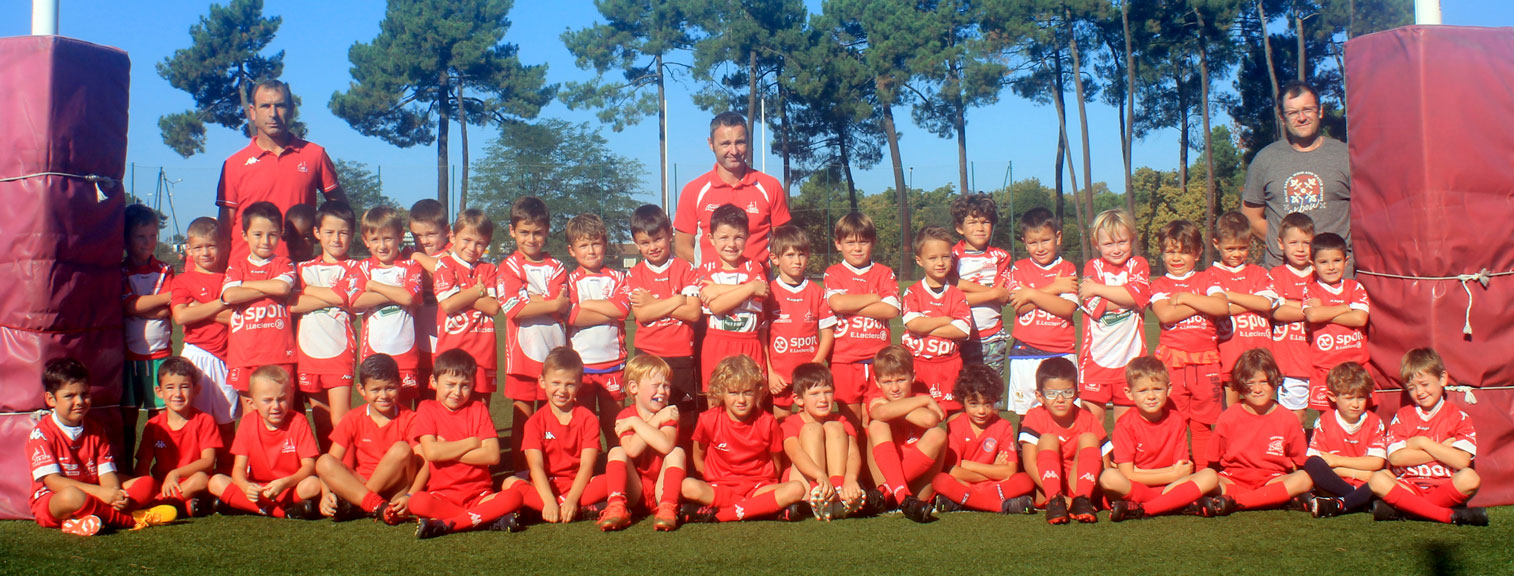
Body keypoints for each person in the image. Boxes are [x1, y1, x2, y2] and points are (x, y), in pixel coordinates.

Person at [28, 358, 177, 536]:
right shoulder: (41, 433)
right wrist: (101, 493)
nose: (80, 401)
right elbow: (53, 481)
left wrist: (113, 494)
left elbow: (106, 473)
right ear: (51, 399)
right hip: (55, 499)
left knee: (147, 483)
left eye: (84, 394)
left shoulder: (95, 429)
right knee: (72, 495)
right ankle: (128, 520)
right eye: (70, 396)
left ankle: (82, 521)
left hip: (95, 493)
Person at [216, 79, 344, 264]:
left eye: (280, 106)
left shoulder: (315, 155)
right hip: (246, 276)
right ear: (252, 112)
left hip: (299, 269)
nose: (273, 114)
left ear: (291, 110)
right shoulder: (233, 164)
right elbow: (224, 228)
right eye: (265, 106)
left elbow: (340, 211)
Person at [502, 348, 625, 527]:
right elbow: (535, 466)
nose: (562, 390)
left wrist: (572, 500)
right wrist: (549, 500)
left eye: (569, 384)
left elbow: (587, 465)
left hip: (578, 486)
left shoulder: (588, 418)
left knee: (612, 480)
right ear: (542, 382)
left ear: (579, 384)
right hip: (545, 487)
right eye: (556, 383)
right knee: (509, 483)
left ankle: (545, 509)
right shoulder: (534, 422)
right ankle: (581, 508)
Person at [679, 355, 808, 524]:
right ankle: (762, 509)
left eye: (747, 393)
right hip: (721, 487)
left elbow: (776, 464)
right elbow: (698, 457)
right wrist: (714, 482)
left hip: (758, 487)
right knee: (688, 486)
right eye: (733, 393)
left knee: (797, 489)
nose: (741, 400)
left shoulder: (767, 421)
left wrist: (762, 484)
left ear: (758, 392)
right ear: (721, 392)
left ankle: (721, 515)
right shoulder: (708, 419)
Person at [410, 349, 525, 538]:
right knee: (418, 502)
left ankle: (447, 524)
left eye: (465, 385)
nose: (457, 392)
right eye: (450, 384)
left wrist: (447, 448)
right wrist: (471, 442)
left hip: (479, 496)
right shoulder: (427, 409)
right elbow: (432, 453)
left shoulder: (478, 409)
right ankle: (488, 519)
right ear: (433, 381)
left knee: (514, 496)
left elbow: (492, 456)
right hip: (442, 495)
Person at [1367, 348, 1487, 526]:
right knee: (1378, 479)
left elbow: (1462, 461)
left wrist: (1422, 442)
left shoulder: (1458, 417)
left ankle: (1407, 510)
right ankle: (1446, 515)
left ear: (1442, 379)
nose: (1419, 392)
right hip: (1409, 487)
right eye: (1412, 387)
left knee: (1470, 478)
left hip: (1444, 487)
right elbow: (1396, 457)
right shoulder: (1403, 416)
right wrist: (1442, 450)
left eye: (1425, 384)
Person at [1242, 80, 1351, 268]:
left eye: (1307, 109)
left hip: (1335, 280)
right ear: (1282, 117)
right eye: (1292, 112)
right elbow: (1251, 217)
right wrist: (1288, 244)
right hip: (1282, 280)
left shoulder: (1346, 156)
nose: (1301, 118)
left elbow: (1369, 214)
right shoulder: (1265, 159)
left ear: (1320, 111)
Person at [1148, 220, 1230, 468]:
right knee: (1176, 420)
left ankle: (1205, 472)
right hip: (1173, 361)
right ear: (1162, 253)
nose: (1177, 257)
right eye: (1171, 251)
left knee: (1202, 423)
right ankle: (1180, 468)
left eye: (1184, 251)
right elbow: (1165, 315)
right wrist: (1199, 302)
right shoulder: (1159, 284)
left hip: (1206, 361)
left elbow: (1221, 306)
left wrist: (1185, 297)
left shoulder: (1208, 277)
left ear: (1197, 252)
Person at [496, 196, 569, 468]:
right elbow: (514, 309)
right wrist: (548, 303)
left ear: (547, 230)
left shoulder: (557, 267)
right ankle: (521, 471)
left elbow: (561, 305)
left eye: (537, 232)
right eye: (524, 232)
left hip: (554, 356)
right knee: (524, 420)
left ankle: (557, 470)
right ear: (512, 231)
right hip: (523, 358)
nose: (531, 238)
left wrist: (530, 298)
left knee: (554, 417)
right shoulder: (509, 266)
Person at [1100, 356, 1220, 521]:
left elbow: (1182, 470)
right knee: (1109, 478)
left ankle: (1145, 508)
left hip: (1171, 488)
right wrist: (1171, 475)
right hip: (1140, 486)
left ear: (1168, 389)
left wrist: (1162, 475)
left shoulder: (1176, 420)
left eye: (1157, 389)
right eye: (1142, 390)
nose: (1151, 396)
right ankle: (1177, 504)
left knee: (1210, 475)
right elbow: (1128, 475)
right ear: (1129, 393)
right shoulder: (1124, 425)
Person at [674, 111, 791, 266]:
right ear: (711, 144)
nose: (734, 151)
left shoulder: (770, 186)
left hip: (758, 285)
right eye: (725, 143)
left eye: (740, 142)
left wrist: (750, 272)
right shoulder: (693, 190)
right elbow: (682, 248)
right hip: (711, 287)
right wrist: (719, 273)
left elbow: (783, 242)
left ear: (748, 142)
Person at [1205, 349, 1314, 515]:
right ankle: (1274, 500)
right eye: (1250, 383)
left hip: (1272, 481)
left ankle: (1239, 502)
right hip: (1233, 481)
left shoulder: (1288, 418)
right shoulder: (1228, 417)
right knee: (1207, 478)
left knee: (1305, 479)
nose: (1257, 389)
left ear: (1274, 381)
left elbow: (1299, 462)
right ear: (1240, 385)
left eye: (1264, 382)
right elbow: (1213, 460)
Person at [315, 354, 421, 524]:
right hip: (361, 485)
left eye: (390, 388)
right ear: (361, 390)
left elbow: (424, 463)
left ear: (400, 385)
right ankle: (376, 506)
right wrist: (326, 494)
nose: (384, 395)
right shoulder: (352, 418)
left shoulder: (410, 418)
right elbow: (333, 461)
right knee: (323, 461)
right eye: (376, 389)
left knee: (402, 448)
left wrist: (411, 496)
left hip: (395, 490)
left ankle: (359, 506)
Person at [626, 205, 703, 438]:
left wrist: (654, 302)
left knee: (684, 415)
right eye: (645, 243)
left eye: (658, 239)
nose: (653, 247)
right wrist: (677, 299)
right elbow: (642, 315)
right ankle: (650, 467)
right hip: (647, 355)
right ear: (637, 244)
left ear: (670, 234)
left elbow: (693, 314)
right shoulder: (635, 273)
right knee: (648, 413)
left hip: (680, 355)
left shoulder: (685, 269)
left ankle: (685, 466)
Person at [208, 366, 323, 519]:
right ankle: (281, 511)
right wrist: (245, 486)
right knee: (216, 481)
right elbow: (238, 468)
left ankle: (242, 504)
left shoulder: (298, 421)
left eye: (281, 399)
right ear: (252, 403)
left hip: (288, 486)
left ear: (289, 397)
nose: (276, 406)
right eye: (268, 400)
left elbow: (309, 467)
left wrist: (286, 482)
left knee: (313, 485)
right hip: (258, 487)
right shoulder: (248, 422)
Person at [290, 201, 361, 447]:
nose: (336, 239)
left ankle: (346, 470)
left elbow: (345, 297)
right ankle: (327, 475)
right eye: (329, 232)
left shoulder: (356, 268)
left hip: (339, 351)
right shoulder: (303, 268)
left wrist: (308, 291)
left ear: (352, 234)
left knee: (341, 419)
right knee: (320, 420)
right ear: (318, 233)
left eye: (343, 232)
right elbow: (292, 304)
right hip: (308, 353)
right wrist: (329, 296)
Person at [824, 212, 901, 429]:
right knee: (851, 421)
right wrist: (873, 298)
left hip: (879, 360)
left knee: (875, 420)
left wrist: (853, 304)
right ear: (838, 244)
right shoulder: (834, 272)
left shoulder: (884, 273)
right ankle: (853, 463)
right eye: (850, 243)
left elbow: (891, 309)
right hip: (844, 360)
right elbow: (838, 304)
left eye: (863, 242)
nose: (857, 248)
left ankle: (872, 463)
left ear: (873, 242)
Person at [929, 364, 1037, 516]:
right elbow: (953, 471)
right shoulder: (955, 425)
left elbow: (1010, 471)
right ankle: (999, 505)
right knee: (941, 481)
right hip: (969, 483)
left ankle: (963, 502)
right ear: (963, 401)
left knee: (1025, 480)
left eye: (987, 404)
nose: (981, 411)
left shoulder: (1003, 426)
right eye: (974, 404)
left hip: (991, 485)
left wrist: (968, 464)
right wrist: (993, 470)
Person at [1077, 209, 1151, 426]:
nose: (1116, 249)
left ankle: (1122, 461)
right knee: (1092, 423)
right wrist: (1129, 296)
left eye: (1122, 242)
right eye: (1109, 244)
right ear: (1097, 244)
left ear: (1132, 239)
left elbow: (1140, 297)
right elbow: (1094, 305)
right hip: (1095, 361)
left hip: (1131, 361)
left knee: (1126, 424)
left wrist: (1099, 289)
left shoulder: (1138, 264)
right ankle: (1098, 461)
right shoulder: (1093, 267)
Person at [123, 357, 222, 517]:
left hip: (190, 483)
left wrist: (175, 474)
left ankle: (155, 505)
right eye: (170, 387)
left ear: (196, 389)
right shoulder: (153, 425)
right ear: (159, 392)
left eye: (184, 387)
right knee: (139, 483)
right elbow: (144, 463)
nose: (177, 394)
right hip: (162, 485)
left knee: (201, 479)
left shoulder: (205, 420)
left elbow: (208, 461)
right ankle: (182, 507)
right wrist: (141, 488)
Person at [564, 214, 633, 440]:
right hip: (581, 367)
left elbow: (621, 310)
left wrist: (587, 305)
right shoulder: (570, 280)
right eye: (583, 245)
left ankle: (619, 468)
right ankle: (588, 470)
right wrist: (608, 311)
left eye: (596, 243)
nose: (591, 250)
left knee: (615, 425)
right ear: (572, 250)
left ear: (605, 244)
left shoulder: (618, 278)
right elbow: (572, 317)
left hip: (613, 364)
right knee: (582, 426)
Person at [220, 201, 296, 404]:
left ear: (280, 234)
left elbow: (282, 288)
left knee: (280, 412)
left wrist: (245, 286)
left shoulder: (284, 263)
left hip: (279, 354)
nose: (265, 240)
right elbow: (230, 296)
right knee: (250, 415)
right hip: (245, 355)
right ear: (245, 235)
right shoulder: (237, 266)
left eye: (272, 234)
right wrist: (266, 286)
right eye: (258, 234)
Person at [170, 217, 239, 442]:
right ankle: (198, 470)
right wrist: (221, 302)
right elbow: (181, 315)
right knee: (194, 421)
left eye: (210, 246)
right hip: (196, 355)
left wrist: (199, 307)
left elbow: (237, 319)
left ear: (220, 246)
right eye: (198, 247)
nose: (205, 252)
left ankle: (227, 472)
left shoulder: (230, 279)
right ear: (189, 249)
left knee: (226, 422)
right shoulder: (182, 280)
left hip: (225, 359)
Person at [1019, 357, 1110, 525]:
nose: (1060, 399)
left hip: (1082, 486)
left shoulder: (1088, 419)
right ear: (1040, 396)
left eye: (1067, 392)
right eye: (1052, 394)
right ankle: (1056, 500)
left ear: (1076, 393)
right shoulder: (1035, 416)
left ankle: (1082, 500)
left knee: (1090, 438)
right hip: (1048, 489)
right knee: (1048, 439)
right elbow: (1029, 464)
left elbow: (1104, 464)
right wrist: (1061, 498)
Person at [1005, 207, 1078, 415]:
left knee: (1063, 413)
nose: (1040, 248)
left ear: (1058, 237)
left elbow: (1066, 308)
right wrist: (1054, 289)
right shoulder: (1019, 268)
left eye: (1045, 240)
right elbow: (1020, 305)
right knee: (1026, 414)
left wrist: (1031, 293)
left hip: (1061, 351)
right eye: (1032, 242)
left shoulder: (1067, 269)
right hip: (1025, 352)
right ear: (1024, 242)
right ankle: (1023, 448)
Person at [603, 354, 688, 531]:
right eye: (656, 386)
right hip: (635, 490)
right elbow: (632, 449)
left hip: (661, 489)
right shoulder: (626, 416)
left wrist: (638, 423)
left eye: (666, 386)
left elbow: (666, 445)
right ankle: (616, 504)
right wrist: (650, 420)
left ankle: (668, 507)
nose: (662, 391)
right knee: (616, 452)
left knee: (677, 452)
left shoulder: (668, 415)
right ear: (634, 388)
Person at [350, 206, 426, 403]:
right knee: (379, 410)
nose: (382, 246)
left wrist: (374, 286)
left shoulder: (411, 265)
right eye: (375, 239)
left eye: (388, 238)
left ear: (400, 236)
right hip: (373, 354)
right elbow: (357, 301)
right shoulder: (363, 267)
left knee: (405, 415)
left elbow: (409, 298)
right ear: (366, 241)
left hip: (406, 355)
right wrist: (396, 292)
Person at [863, 345, 942, 523]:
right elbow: (880, 413)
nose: (895, 388)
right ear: (877, 382)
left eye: (901, 380)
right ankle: (901, 495)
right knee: (877, 424)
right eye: (887, 382)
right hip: (885, 474)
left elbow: (930, 420)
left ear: (913, 377)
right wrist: (924, 401)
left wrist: (898, 407)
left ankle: (889, 491)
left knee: (938, 434)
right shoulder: (876, 399)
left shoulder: (917, 395)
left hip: (915, 486)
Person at [123, 203, 175, 464]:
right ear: (126, 238)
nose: (148, 242)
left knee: (160, 420)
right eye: (140, 236)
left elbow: (172, 307)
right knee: (127, 420)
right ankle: (127, 470)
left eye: (152, 235)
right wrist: (160, 303)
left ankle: (162, 469)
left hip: (160, 358)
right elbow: (128, 305)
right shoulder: (120, 270)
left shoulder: (165, 269)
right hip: (129, 360)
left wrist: (139, 307)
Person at [433, 209, 502, 407]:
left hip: (483, 355)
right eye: (467, 240)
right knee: (447, 411)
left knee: (480, 409)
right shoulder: (445, 265)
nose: (472, 247)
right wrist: (477, 291)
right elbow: (448, 304)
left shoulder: (489, 269)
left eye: (480, 243)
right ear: (453, 236)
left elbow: (493, 307)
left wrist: (461, 293)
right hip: (451, 353)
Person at [693, 204, 769, 384]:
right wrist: (750, 288)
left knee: (750, 397)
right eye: (724, 237)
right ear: (711, 239)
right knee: (716, 399)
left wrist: (719, 289)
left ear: (748, 237)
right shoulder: (706, 268)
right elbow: (717, 306)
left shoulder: (754, 266)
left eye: (738, 237)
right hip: (717, 342)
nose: (731, 244)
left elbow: (762, 291)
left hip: (749, 341)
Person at [765, 226, 835, 419]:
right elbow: (761, 337)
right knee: (781, 425)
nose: (797, 260)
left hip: (809, 375)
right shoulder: (769, 292)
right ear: (775, 258)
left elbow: (828, 333)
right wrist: (770, 373)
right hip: (780, 377)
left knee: (812, 423)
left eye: (801, 254)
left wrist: (816, 364)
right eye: (790, 255)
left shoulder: (816, 291)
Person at [901, 226, 972, 413]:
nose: (940, 263)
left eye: (945, 256)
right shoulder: (913, 292)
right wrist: (946, 319)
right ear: (919, 260)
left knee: (955, 418)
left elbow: (962, 330)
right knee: (921, 420)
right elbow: (913, 324)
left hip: (950, 366)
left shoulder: (957, 294)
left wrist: (924, 326)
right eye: (932, 258)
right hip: (918, 366)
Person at [780, 363, 865, 521]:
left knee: (834, 427)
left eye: (827, 392)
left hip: (833, 483)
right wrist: (820, 477)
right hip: (807, 483)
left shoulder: (841, 420)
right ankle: (820, 495)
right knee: (812, 429)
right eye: (815, 394)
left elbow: (853, 452)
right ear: (798, 399)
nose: (823, 399)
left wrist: (851, 479)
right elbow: (795, 453)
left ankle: (838, 495)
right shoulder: (790, 422)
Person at [1210, 212, 1277, 407]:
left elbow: (1266, 304)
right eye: (1230, 249)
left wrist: (1229, 295)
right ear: (1216, 244)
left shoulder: (1258, 272)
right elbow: (1220, 309)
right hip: (1230, 354)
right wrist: (1252, 301)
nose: (1236, 254)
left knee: (1262, 409)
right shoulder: (1211, 275)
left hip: (1261, 354)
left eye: (1242, 248)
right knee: (1233, 413)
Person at [1303, 362, 1386, 518]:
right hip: (1335, 482)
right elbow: (1316, 461)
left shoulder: (1374, 422)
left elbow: (1376, 463)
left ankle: (1343, 502)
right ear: (1333, 397)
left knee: (1385, 477)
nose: (1355, 404)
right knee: (1311, 465)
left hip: (1365, 483)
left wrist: (1337, 461)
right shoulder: (1325, 421)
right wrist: (1358, 473)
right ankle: (1356, 499)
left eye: (1360, 398)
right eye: (1349, 398)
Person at [1303, 233, 1370, 412]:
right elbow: (1313, 316)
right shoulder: (1312, 289)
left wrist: (1325, 310)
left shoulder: (1355, 287)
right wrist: (1345, 307)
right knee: (1327, 419)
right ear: (1313, 265)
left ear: (1346, 261)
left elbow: (1360, 318)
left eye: (1337, 261)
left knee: (1357, 416)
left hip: (1356, 366)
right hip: (1325, 368)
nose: (1331, 267)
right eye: (1324, 262)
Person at [949, 193, 1013, 372]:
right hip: (960, 338)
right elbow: (950, 299)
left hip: (992, 337)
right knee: (964, 393)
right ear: (959, 228)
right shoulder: (952, 256)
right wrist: (990, 293)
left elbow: (1003, 296)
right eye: (972, 222)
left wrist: (961, 285)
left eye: (985, 222)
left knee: (991, 393)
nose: (979, 228)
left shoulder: (1000, 257)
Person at [1269, 212, 1316, 423]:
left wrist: (1290, 303)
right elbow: (1278, 311)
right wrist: (1312, 310)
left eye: (1306, 243)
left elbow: (1330, 307)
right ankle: (1292, 455)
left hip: (1319, 357)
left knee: (1330, 412)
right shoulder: (1276, 275)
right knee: (1294, 415)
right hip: (1289, 360)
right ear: (1281, 243)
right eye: (1294, 242)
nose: (1300, 248)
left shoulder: (1320, 273)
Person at [407, 199, 450, 386]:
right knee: (422, 396)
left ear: (447, 231)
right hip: (416, 337)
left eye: (430, 234)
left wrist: (417, 257)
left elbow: (445, 270)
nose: (423, 241)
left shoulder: (453, 253)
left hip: (446, 337)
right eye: (417, 235)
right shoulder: (405, 253)